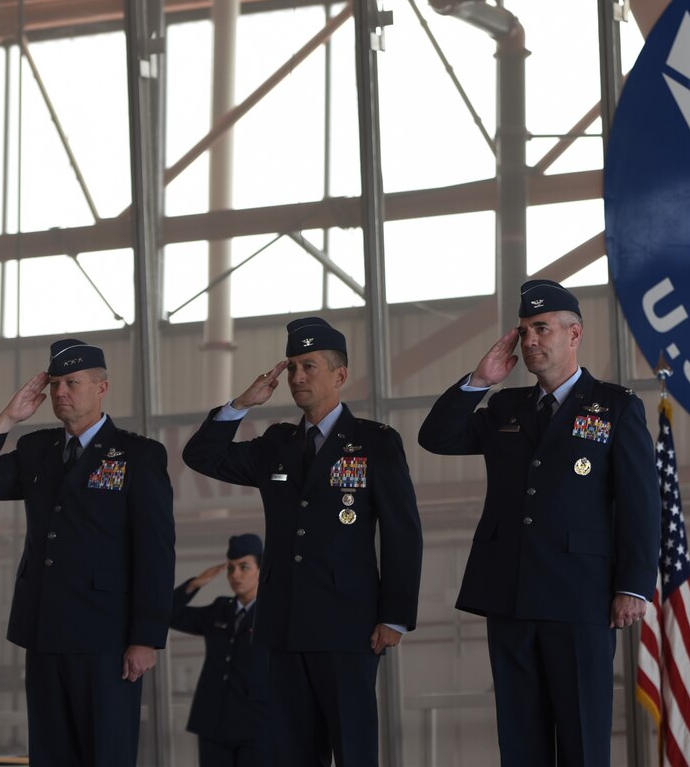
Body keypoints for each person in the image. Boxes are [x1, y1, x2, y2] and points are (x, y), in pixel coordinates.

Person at [418, 279, 661, 766]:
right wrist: (479, 381)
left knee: (582, 738)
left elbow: (640, 502)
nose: (530, 340)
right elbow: (436, 437)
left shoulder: (614, 407)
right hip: (509, 593)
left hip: (580, 595)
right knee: (520, 740)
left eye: (542, 328)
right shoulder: (506, 406)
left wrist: (633, 586)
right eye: (524, 330)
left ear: (575, 335)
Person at [182, 316, 423, 767]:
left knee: (352, 747)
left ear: (340, 375)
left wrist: (396, 615)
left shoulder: (375, 442)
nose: (297, 377)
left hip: (348, 624)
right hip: (283, 624)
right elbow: (201, 455)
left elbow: (402, 531)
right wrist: (241, 404)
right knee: (291, 751)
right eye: (292, 367)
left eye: (309, 366)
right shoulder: (276, 443)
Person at [0, 338, 176, 767]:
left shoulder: (138, 455)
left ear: (102, 388)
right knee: (52, 755)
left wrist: (146, 638)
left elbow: (156, 550)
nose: (60, 393)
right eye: (55, 384)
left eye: (72, 383)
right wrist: (7, 419)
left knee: (105, 752)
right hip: (45, 629)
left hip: (106, 636)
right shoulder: (39, 449)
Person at [171, 533, 270, 767]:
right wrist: (195, 584)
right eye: (231, 569)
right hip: (213, 721)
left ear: (261, 569)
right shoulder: (219, 610)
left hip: (257, 724)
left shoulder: (273, 614)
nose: (235, 575)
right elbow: (169, 614)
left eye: (244, 567)